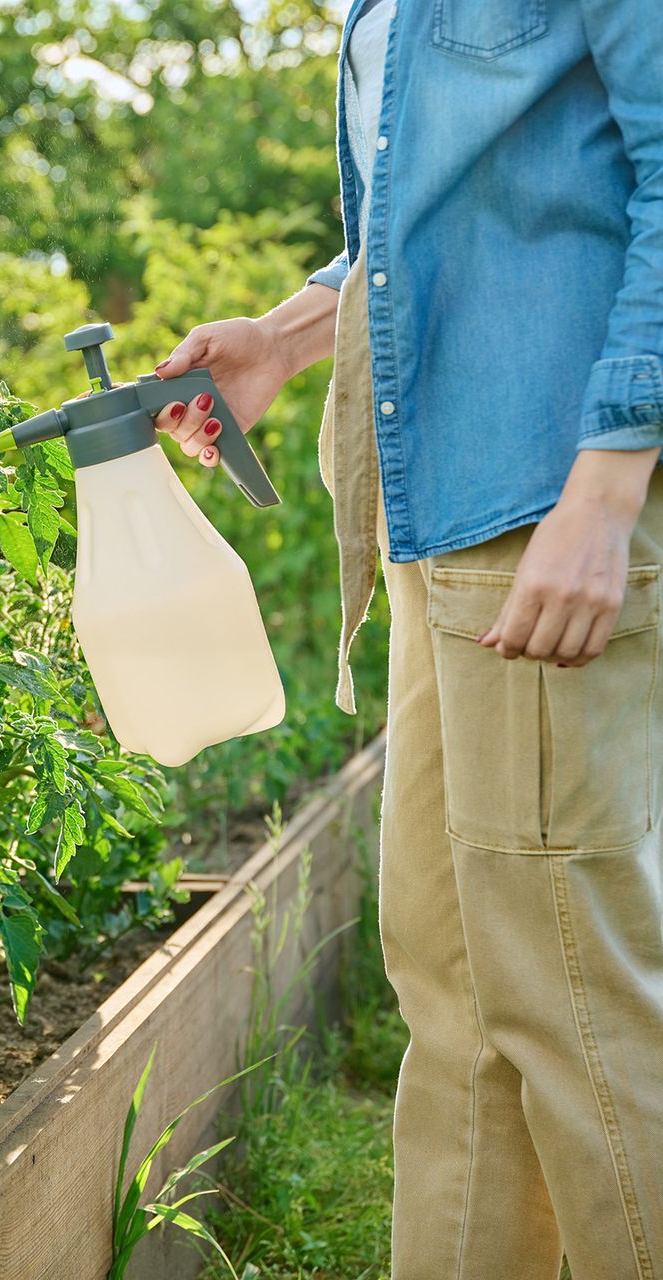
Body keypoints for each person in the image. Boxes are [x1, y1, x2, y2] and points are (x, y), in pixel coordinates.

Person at [150, 2, 663, 1275]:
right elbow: (450, 209)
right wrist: (285, 333)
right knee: (457, 989)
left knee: (573, 1002)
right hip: (441, 512)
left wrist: (604, 490)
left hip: (545, 512)